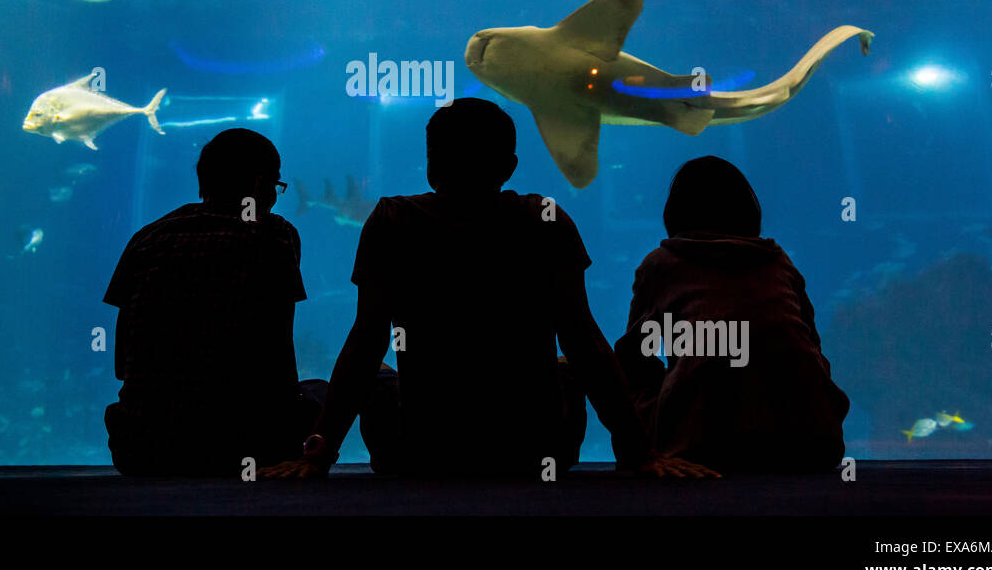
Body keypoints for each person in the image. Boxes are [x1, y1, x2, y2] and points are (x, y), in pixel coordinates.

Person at [260, 99, 717, 480]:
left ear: (431, 163)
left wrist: (318, 453)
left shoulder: (392, 220)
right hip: (536, 454)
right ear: (510, 166)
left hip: (419, 457)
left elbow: (366, 341)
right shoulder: (546, 219)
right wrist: (639, 452)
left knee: (374, 372)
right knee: (566, 363)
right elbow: (584, 341)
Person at [102, 128, 323, 476]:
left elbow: (120, 363)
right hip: (247, 449)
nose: (276, 197)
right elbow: (278, 351)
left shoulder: (147, 237)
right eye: (275, 185)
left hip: (140, 449)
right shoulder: (274, 235)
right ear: (257, 184)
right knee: (321, 392)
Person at [613, 156, 850, 472]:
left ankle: (651, 455)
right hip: (814, 443)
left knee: (625, 370)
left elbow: (634, 359)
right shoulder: (779, 262)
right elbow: (814, 347)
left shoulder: (660, 264)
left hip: (701, 446)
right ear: (749, 210)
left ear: (674, 213)